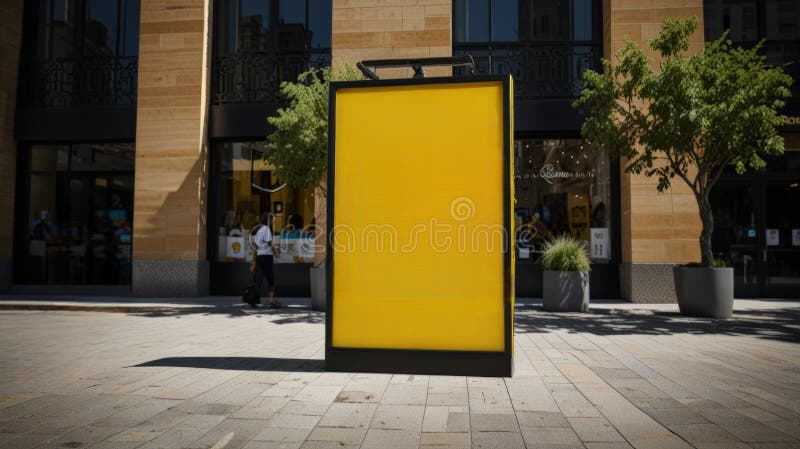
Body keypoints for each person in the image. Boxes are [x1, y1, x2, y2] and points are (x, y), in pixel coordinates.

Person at [250, 212, 283, 308]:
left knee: (258, 279)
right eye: (272, 219)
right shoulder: (267, 229)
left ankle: (254, 299)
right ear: (268, 220)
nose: (273, 221)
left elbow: (255, 247)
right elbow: (270, 243)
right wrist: (276, 252)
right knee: (270, 279)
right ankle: (271, 300)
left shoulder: (259, 229)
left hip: (260, 257)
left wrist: (253, 262)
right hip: (267, 257)